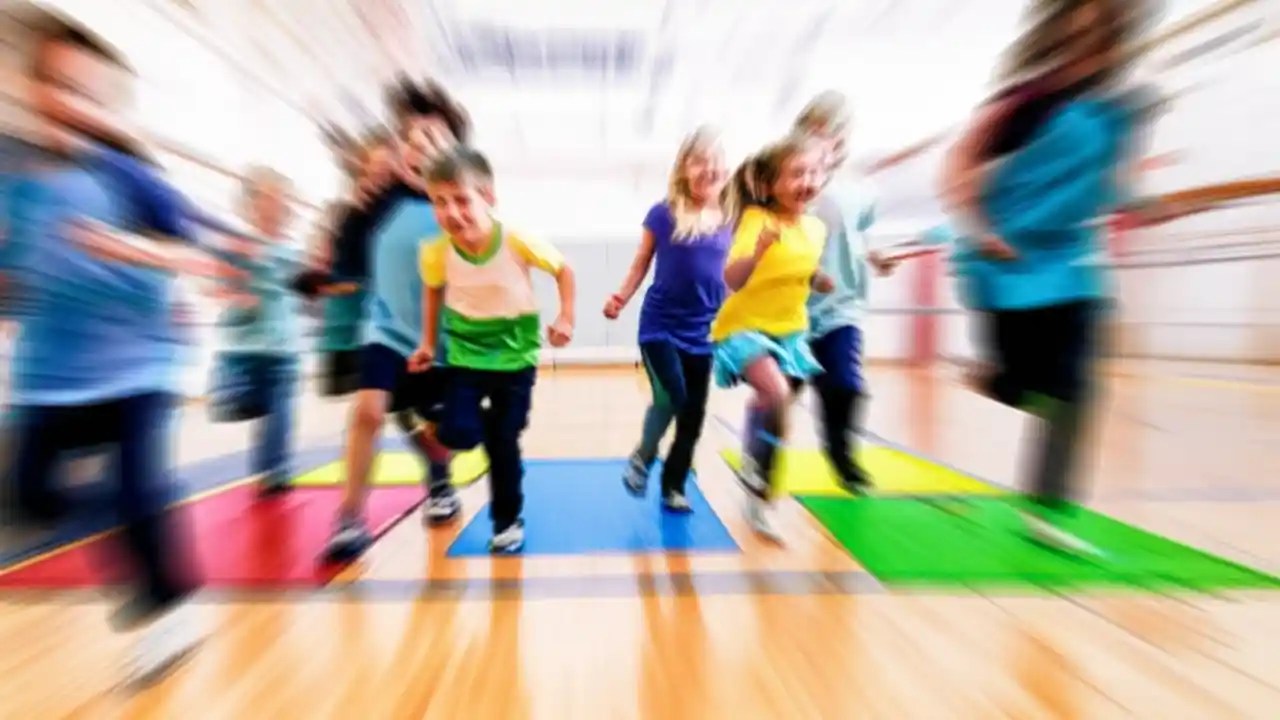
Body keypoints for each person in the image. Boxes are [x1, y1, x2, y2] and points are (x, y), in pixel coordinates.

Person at [2, 15, 221, 683]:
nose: (71, 102)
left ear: (106, 108)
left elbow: (200, 259)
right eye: (58, 85)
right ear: (32, 88)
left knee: (133, 487)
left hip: (138, 367)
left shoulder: (131, 179)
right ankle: (130, 505)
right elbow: (15, 268)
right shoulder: (16, 180)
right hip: (49, 375)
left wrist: (129, 248)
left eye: (87, 93)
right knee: (26, 500)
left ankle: (169, 610)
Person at [938, 0, 1163, 554]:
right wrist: (979, 225)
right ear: (1062, 23)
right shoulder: (1027, 101)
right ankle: (994, 377)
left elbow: (1117, 182)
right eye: (1085, 17)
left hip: (1072, 261)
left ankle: (1047, 508)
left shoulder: (1123, 110)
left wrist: (1147, 204)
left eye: (1109, 21)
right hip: (1002, 259)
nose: (1094, 29)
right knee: (1022, 385)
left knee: (1075, 386)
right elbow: (960, 163)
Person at [320, 81, 471, 563]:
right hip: (383, 330)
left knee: (436, 435)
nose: (420, 148)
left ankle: (441, 483)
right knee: (367, 412)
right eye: (411, 139)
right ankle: (349, 518)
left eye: (435, 141)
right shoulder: (376, 200)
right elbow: (345, 252)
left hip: (442, 340)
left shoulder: (460, 203)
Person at [410, 147, 576, 554]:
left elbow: (563, 269)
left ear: (488, 196)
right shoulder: (436, 251)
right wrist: (429, 342)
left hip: (515, 360)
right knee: (463, 435)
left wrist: (566, 317)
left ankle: (507, 521)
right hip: (466, 356)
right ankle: (445, 422)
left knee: (504, 442)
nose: (451, 212)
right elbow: (434, 291)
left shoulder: (516, 239)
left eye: (462, 200)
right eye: (439, 202)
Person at [711, 134, 833, 541]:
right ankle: (759, 485)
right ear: (769, 185)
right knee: (776, 394)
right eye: (797, 173)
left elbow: (799, 267)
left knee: (778, 416)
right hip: (744, 328)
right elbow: (733, 278)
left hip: (790, 332)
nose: (808, 180)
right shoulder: (756, 222)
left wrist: (817, 278)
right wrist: (759, 251)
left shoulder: (816, 228)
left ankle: (756, 482)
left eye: (815, 172)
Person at [603, 127, 730, 511]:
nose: (707, 169)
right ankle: (643, 455)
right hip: (661, 328)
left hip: (705, 332)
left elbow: (737, 272)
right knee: (674, 396)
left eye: (715, 161)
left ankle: (673, 486)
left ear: (725, 170)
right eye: (698, 160)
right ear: (683, 168)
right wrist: (621, 297)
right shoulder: (663, 213)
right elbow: (641, 263)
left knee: (693, 416)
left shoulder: (731, 217)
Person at [792, 92, 901, 494]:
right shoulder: (793, 182)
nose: (827, 139)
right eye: (817, 130)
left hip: (842, 308)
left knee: (845, 385)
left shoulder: (859, 188)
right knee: (780, 392)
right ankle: (759, 460)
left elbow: (858, 235)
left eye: (834, 131)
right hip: (793, 311)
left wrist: (876, 257)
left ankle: (841, 457)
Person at [205, 168, 306, 496]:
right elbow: (214, 284)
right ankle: (238, 400)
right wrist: (236, 297)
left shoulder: (293, 255)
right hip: (240, 350)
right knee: (231, 404)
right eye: (268, 199)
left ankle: (275, 472)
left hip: (283, 351)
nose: (275, 207)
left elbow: (309, 288)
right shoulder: (235, 246)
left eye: (282, 201)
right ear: (249, 205)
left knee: (280, 417)